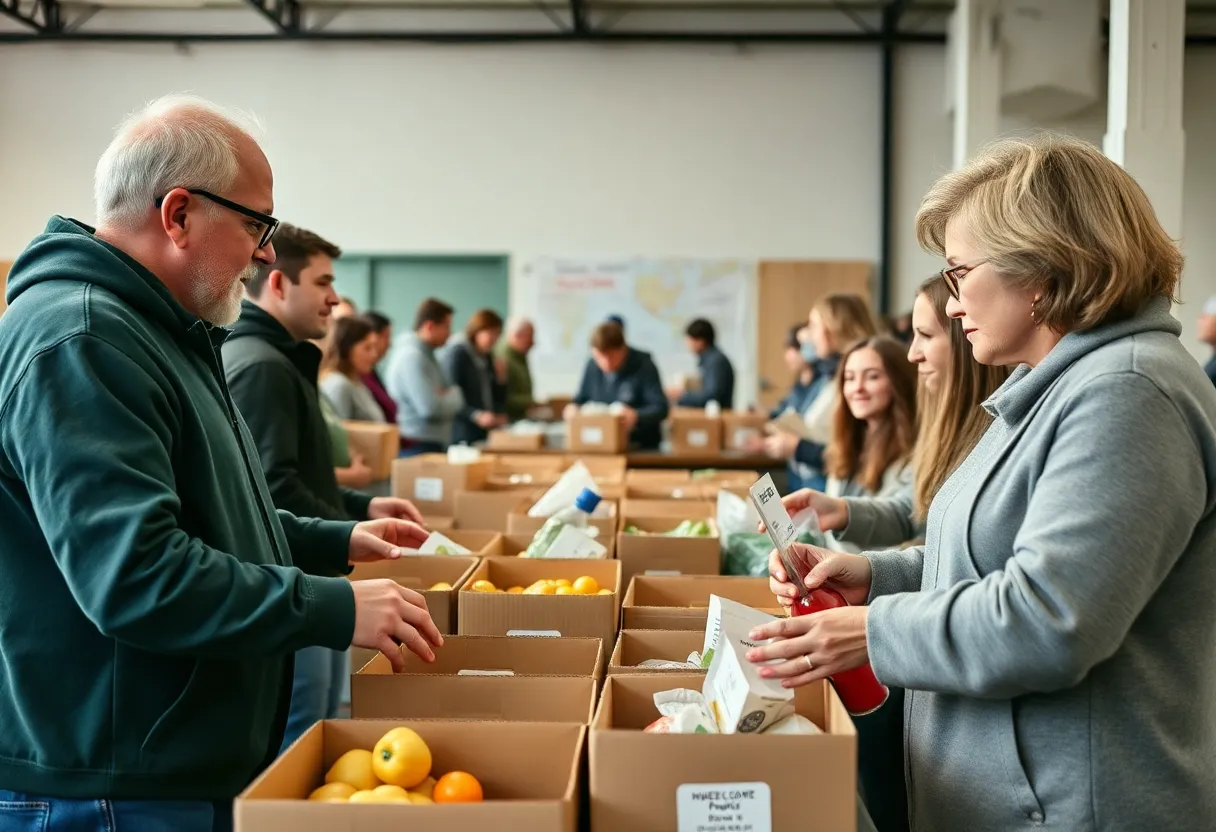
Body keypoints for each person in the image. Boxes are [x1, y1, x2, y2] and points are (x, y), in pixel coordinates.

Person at [0, 95, 442, 831]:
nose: (267, 252)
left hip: (155, 763)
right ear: (177, 214)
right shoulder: (85, 341)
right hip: (109, 781)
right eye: (254, 224)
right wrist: (331, 606)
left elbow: (204, 509)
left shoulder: (161, 330)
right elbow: (136, 576)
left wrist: (329, 538)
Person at [753, 134, 1216, 832]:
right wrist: (872, 577)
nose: (952, 304)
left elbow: (1049, 620)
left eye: (959, 274)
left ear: (1042, 270)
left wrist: (869, 629)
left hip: (1071, 806)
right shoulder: (1045, 387)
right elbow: (986, 559)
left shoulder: (1128, 392)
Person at [223, 223, 428, 752]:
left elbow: (298, 473)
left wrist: (361, 506)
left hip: (309, 574)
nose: (335, 300)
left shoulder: (280, 359)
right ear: (278, 285)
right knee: (302, 735)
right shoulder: (261, 366)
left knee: (316, 721)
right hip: (295, 581)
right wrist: (346, 530)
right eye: (323, 283)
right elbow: (271, 493)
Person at [764, 294, 879, 491]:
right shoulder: (827, 376)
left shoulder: (852, 384)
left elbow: (854, 452)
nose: (807, 336)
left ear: (833, 328)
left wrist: (798, 447)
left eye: (813, 326)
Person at [821, 336, 916, 554]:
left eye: (872, 377)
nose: (858, 388)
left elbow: (902, 525)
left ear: (898, 382)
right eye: (850, 378)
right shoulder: (847, 442)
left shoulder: (914, 454)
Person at [568, 320, 669, 450]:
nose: (605, 363)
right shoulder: (592, 365)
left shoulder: (644, 365)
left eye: (611, 356)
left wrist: (636, 416)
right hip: (601, 445)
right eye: (599, 357)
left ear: (623, 349)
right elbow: (581, 399)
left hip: (639, 445)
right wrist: (573, 408)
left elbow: (661, 408)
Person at [387, 297, 464, 455]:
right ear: (429, 326)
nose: (450, 334)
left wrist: (447, 394)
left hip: (430, 442)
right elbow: (430, 408)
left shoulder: (429, 355)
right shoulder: (412, 357)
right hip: (417, 444)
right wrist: (455, 396)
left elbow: (447, 392)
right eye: (446, 327)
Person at [442, 308, 508, 446]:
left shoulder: (487, 356)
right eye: (489, 332)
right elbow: (452, 397)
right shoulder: (458, 354)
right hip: (463, 431)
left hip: (485, 431)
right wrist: (476, 415)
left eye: (497, 334)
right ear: (476, 330)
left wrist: (501, 380)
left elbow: (495, 395)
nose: (493, 338)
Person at [320, 316, 389, 423]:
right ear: (347, 349)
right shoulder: (339, 385)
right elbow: (337, 434)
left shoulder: (356, 381)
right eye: (367, 348)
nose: (374, 354)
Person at [669, 317, 735, 410]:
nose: (687, 344)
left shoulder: (715, 362)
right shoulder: (710, 360)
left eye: (690, 340)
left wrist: (681, 396)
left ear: (700, 341)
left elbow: (712, 396)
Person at [361, 311, 399, 423]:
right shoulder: (361, 377)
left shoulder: (371, 372)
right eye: (386, 337)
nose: (389, 344)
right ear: (372, 337)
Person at [497, 316, 536, 421]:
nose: (533, 343)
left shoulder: (520, 355)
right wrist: (531, 402)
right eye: (530, 337)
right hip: (508, 420)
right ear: (517, 335)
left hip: (521, 417)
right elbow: (502, 397)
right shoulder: (501, 357)